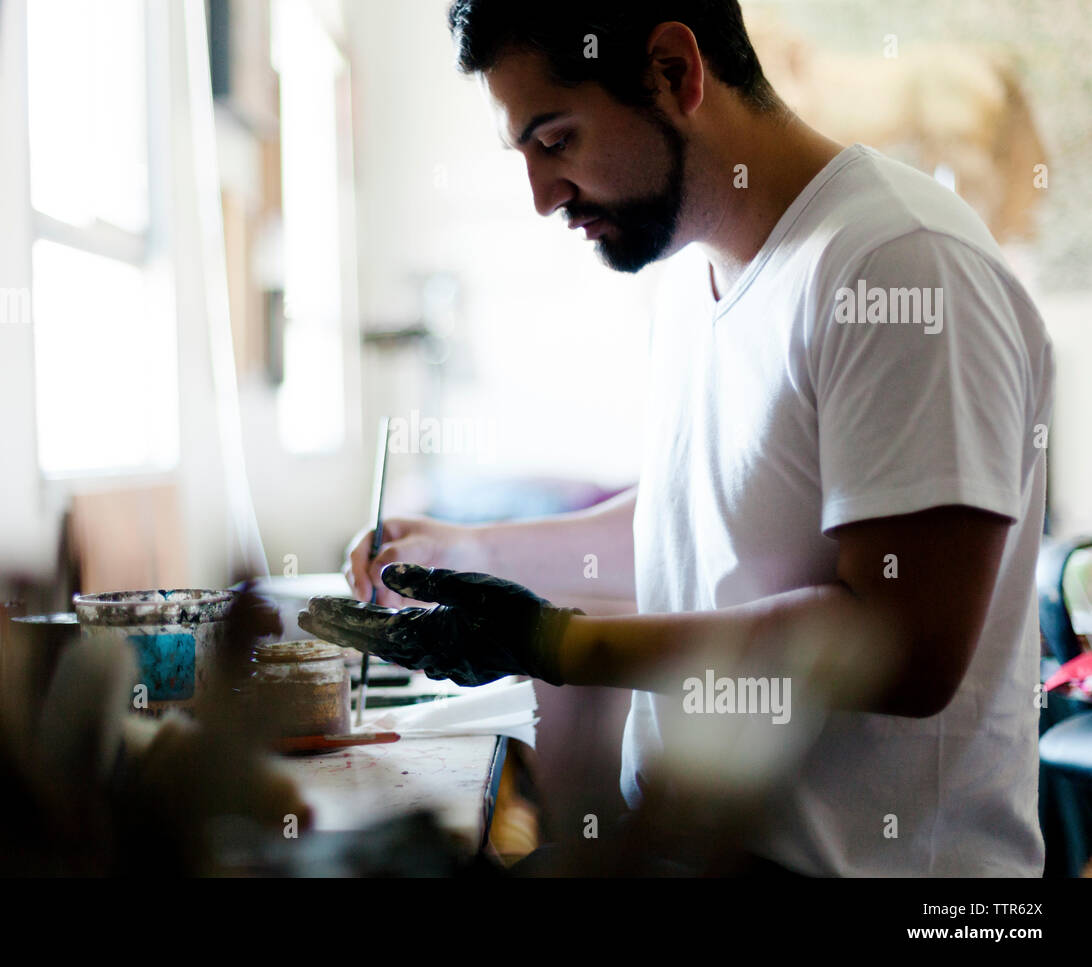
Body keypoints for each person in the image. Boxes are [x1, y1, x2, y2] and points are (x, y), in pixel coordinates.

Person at [299, 0, 1052, 876]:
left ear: (673, 71)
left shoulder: (900, 265)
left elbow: (904, 645)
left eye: (556, 141)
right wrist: (457, 548)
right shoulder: (701, 274)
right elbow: (694, 527)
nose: (543, 198)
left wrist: (559, 644)